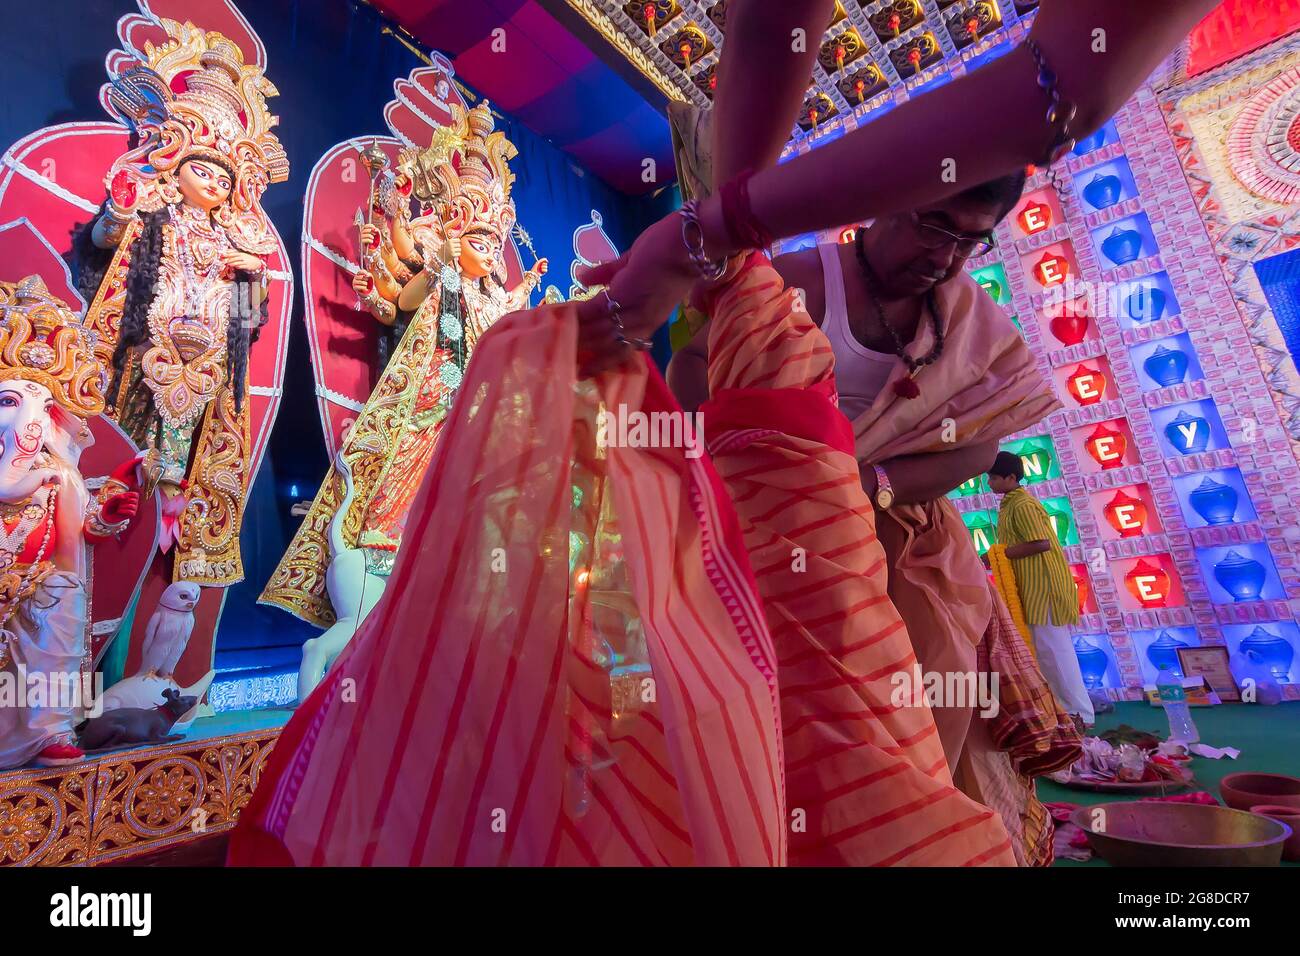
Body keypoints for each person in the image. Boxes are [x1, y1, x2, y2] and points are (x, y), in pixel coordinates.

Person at [988, 451, 1094, 729]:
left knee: (1055, 652)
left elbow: (1041, 543)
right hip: (1030, 587)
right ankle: (1060, 711)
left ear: (1012, 477)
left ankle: (1080, 714)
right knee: (1045, 653)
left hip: (1043, 587)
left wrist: (997, 555)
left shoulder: (1022, 504)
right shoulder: (1010, 504)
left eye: (995, 477)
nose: (990, 483)